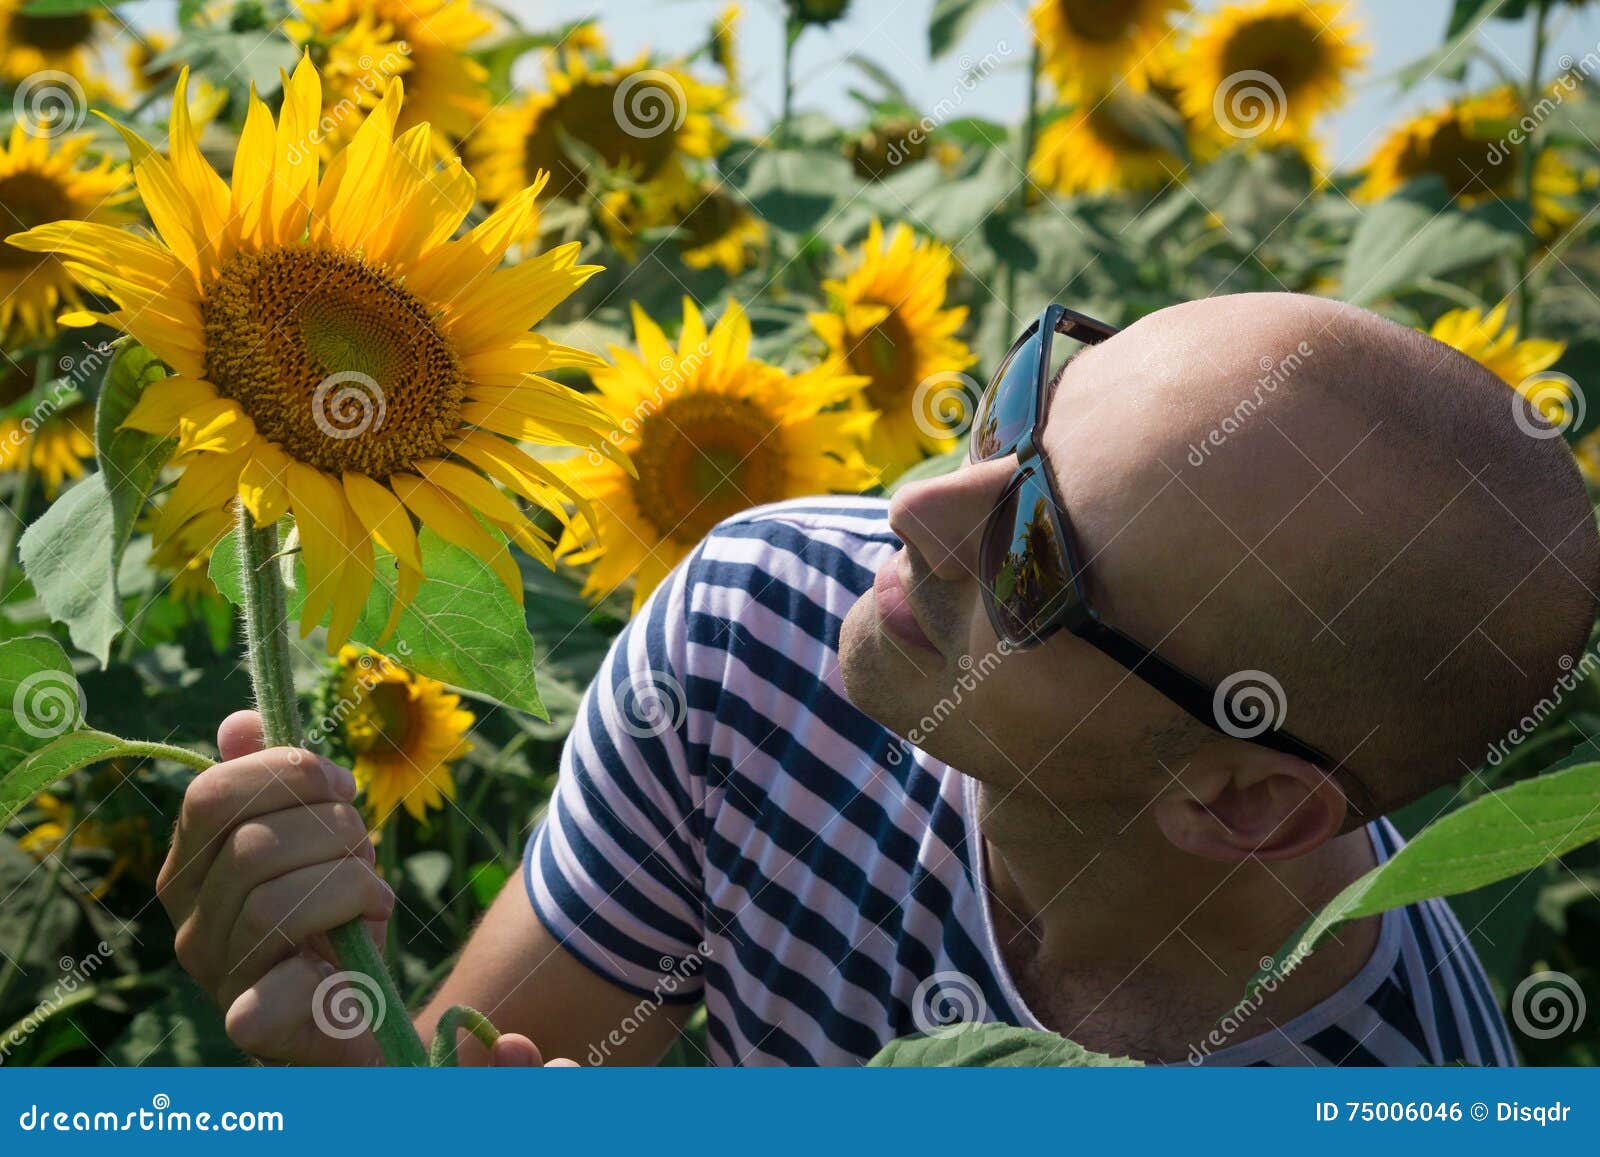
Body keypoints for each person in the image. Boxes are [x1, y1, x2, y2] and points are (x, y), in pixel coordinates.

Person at [157, 293, 1598, 1066]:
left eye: (1037, 556)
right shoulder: (762, 633)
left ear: (1239, 799)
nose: (917, 507)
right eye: (1027, 395)